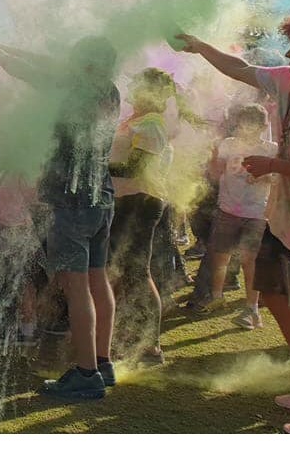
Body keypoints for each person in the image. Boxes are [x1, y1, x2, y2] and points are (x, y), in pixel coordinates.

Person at [178, 20, 290, 433]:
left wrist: (272, 165)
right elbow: (239, 69)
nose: (288, 55)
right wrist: (200, 45)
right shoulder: (287, 81)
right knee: (275, 296)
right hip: (281, 221)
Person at [0, 35, 120, 401]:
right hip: (101, 195)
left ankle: (86, 374)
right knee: (98, 279)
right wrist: (1, 46)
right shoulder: (109, 90)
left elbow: (29, 71)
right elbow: (42, 59)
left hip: (71, 201)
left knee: (77, 286)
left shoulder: (72, 87)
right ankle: (102, 361)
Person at [106, 68, 177, 364]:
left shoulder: (151, 125)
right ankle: (123, 337)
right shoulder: (135, 120)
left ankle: (150, 347)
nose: (131, 88)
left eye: (136, 84)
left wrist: (95, 168)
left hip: (141, 201)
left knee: (137, 271)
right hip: (127, 200)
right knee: (120, 270)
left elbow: (135, 169)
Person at [203, 104, 276, 327]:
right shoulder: (228, 144)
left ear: (264, 126)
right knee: (220, 255)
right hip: (227, 209)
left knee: (249, 261)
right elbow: (216, 172)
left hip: (256, 213)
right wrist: (212, 161)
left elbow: (279, 179)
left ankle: (251, 309)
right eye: (245, 124)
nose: (248, 129)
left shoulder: (271, 149)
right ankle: (216, 297)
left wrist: (264, 177)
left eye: (254, 125)